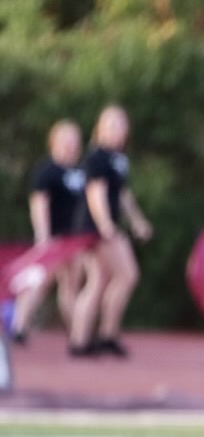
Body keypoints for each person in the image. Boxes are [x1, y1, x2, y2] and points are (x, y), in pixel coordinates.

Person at [70, 105, 153, 358]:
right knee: (127, 276)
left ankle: (83, 340)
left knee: (98, 282)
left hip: (103, 227)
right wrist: (105, 225)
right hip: (96, 229)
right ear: (101, 128)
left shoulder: (118, 160)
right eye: (113, 124)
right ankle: (105, 334)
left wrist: (137, 221)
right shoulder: (97, 157)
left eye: (122, 124)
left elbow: (122, 195)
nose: (119, 130)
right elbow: (96, 192)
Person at [9, 120, 87, 344]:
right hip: (54, 237)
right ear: (53, 142)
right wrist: (43, 236)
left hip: (76, 238)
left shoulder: (81, 171)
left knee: (71, 285)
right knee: (41, 282)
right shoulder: (47, 170)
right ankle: (19, 327)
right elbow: (39, 203)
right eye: (65, 140)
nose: (70, 145)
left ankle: (77, 332)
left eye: (74, 140)